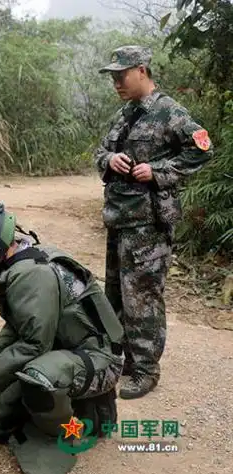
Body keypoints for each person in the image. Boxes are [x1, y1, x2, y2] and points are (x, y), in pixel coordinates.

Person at [0, 202, 124, 474]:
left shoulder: (31, 275)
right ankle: (65, 403)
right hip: (71, 346)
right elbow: (18, 327)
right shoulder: (21, 257)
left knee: (37, 378)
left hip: (100, 359)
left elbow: (35, 345)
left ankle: (80, 424)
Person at [94, 45, 213, 399]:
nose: (116, 82)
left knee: (142, 298)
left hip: (148, 225)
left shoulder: (169, 112)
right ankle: (120, 361)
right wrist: (110, 158)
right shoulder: (125, 114)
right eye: (113, 76)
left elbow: (203, 149)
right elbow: (100, 151)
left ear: (142, 70)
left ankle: (145, 370)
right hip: (119, 220)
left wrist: (159, 171)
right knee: (115, 295)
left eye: (122, 75)